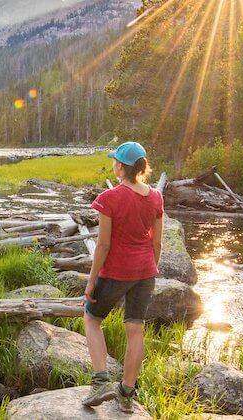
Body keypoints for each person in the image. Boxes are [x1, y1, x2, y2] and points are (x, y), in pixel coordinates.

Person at [81, 141, 164, 413]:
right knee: (135, 329)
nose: (113, 164)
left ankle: (101, 381)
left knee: (92, 318)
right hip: (145, 271)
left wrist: (92, 280)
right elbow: (157, 243)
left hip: (117, 270)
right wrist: (152, 268)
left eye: (115, 161)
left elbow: (103, 245)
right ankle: (126, 393)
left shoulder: (110, 198)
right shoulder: (155, 197)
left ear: (120, 167)